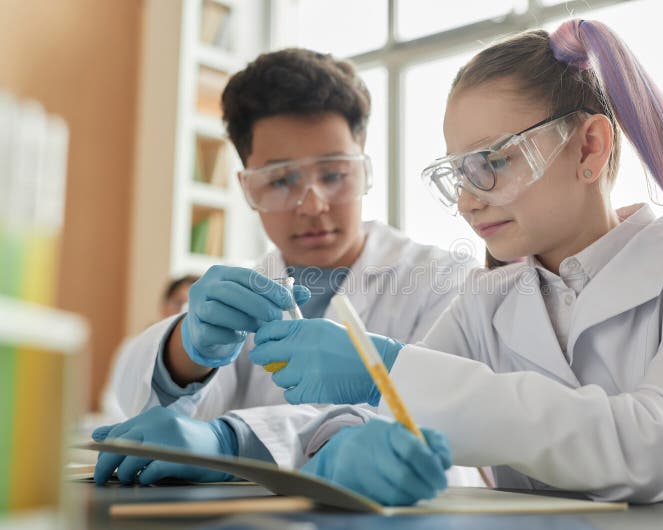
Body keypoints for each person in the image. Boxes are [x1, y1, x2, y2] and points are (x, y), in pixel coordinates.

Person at [248, 19, 663, 504]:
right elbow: (387, 416)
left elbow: (659, 445)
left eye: (492, 162)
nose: (468, 199)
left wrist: (389, 369)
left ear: (590, 147)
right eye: (458, 173)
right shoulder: (485, 299)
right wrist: (312, 443)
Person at [92, 48, 480, 491]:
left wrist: (231, 440)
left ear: (365, 169)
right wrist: (184, 349)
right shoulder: (244, 296)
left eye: (334, 174)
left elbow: (453, 432)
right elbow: (156, 412)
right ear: (246, 188)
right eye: (279, 181)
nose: (313, 205)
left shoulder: (444, 281)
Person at [99, 274, 199, 421]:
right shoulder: (133, 345)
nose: (184, 311)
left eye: (191, 305)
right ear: (164, 306)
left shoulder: (209, 361)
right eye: (179, 303)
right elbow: (111, 399)